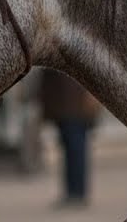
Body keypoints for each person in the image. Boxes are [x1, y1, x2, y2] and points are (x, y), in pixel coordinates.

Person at [38, 68, 102, 208]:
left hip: (73, 106)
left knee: (75, 149)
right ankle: (73, 192)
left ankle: (76, 193)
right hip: (66, 105)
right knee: (71, 148)